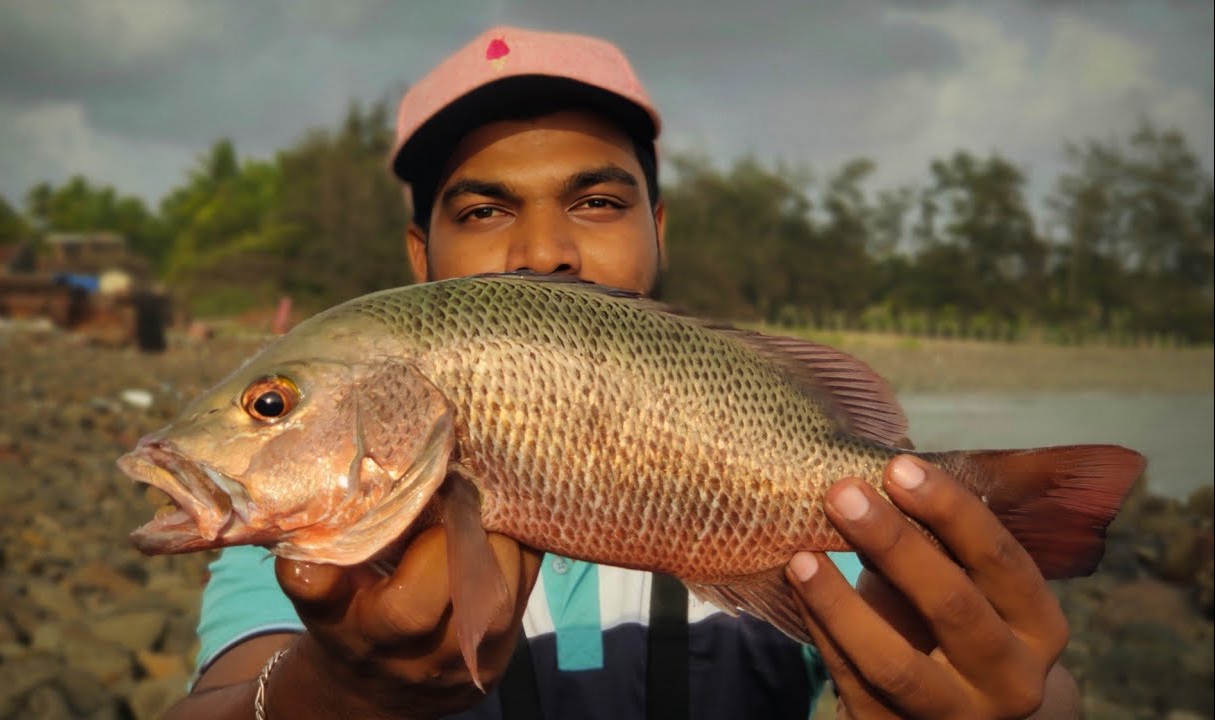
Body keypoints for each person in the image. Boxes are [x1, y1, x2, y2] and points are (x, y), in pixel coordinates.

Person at [164, 26, 1081, 720]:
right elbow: (226, 694)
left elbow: (1030, 675)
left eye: (597, 201)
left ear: (659, 228)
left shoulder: (836, 520)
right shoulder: (313, 548)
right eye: (483, 210)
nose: (544, 250)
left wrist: (1012, 701)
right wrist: (332, 689)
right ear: (419, 251)